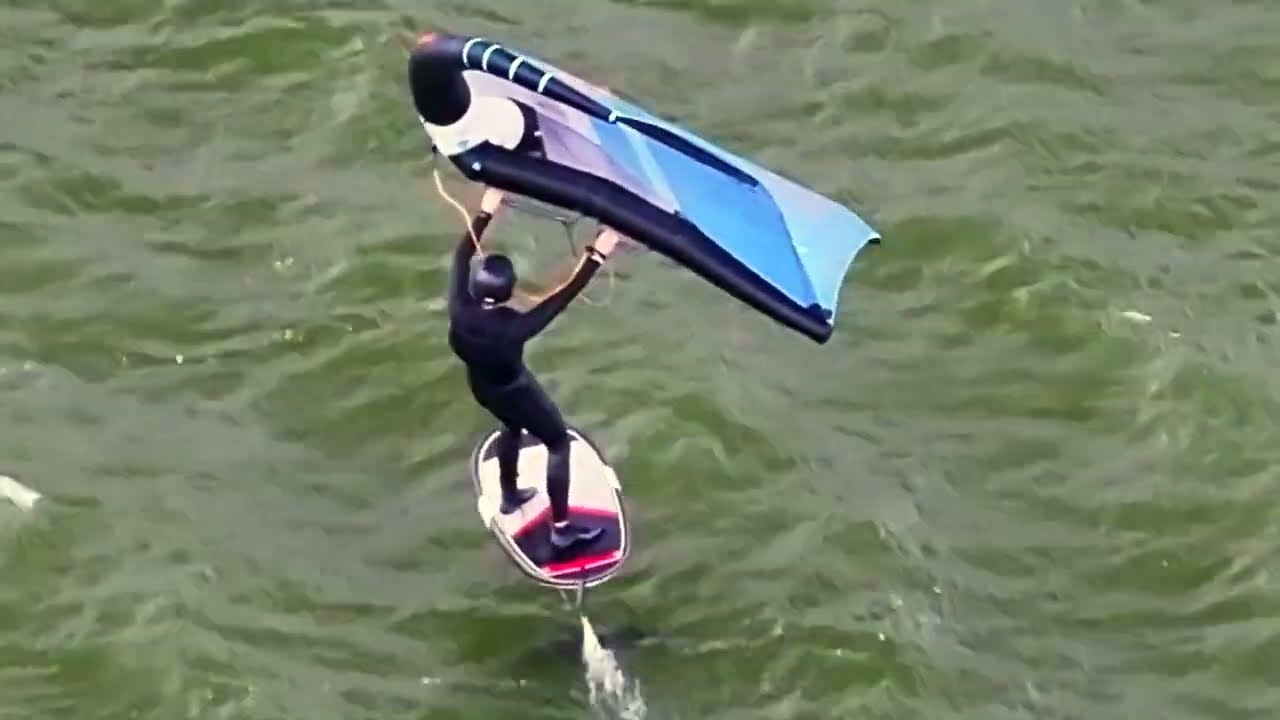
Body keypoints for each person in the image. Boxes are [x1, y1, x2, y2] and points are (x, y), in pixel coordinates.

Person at [447, 187, 621, 552]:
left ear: (476, 286)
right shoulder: (513, 328)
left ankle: (510, 496)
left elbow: (460, 255)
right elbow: (563, 297)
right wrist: (598, 253)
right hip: (515, 390)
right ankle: (561, 528)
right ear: (509, 291)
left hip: (482, 388)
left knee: (511, 426)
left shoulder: (460, 308)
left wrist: (485, 211)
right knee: (557, 442)